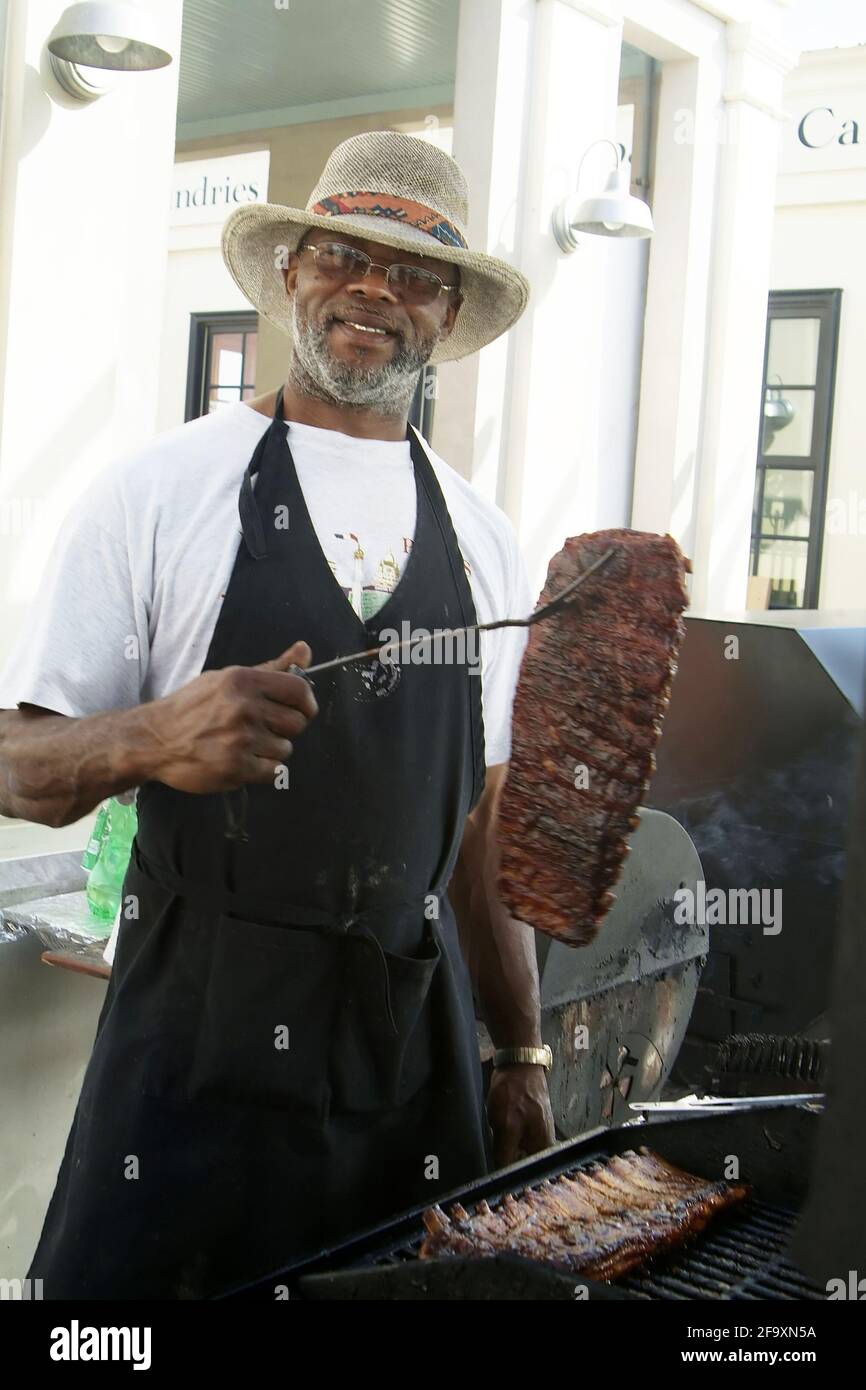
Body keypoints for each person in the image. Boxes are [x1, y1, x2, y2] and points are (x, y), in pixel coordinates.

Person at [0, 130, 555, 1299]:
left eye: (411, 273)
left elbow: (481, 828)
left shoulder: (485, 536)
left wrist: (521, 1046)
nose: (371, 289)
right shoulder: (157, 491)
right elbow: (18, 765)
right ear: (289, 274)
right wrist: (151, 735)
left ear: (445, 316)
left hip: (407, 1046)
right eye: (339, 255)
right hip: (191, 1047)